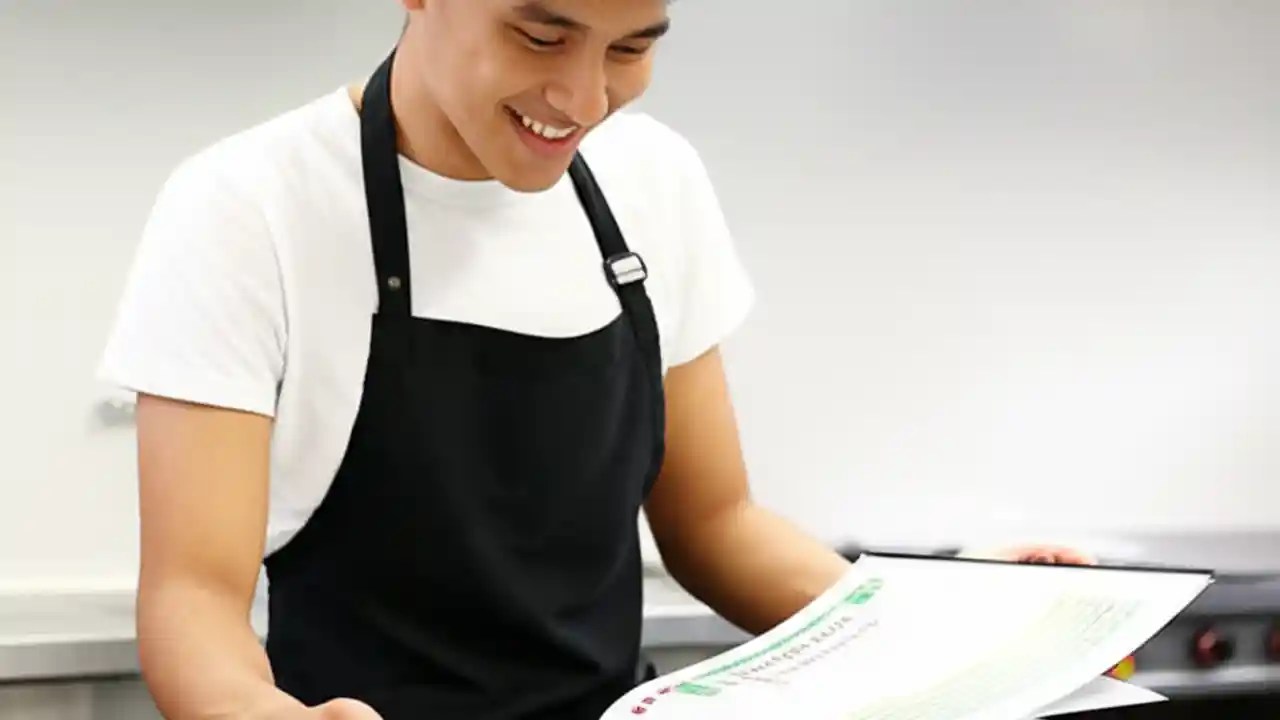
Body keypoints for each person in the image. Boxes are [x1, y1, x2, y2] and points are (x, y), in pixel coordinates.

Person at [98, 1, 1091, 718]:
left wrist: (939, 622)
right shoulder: (247, 205)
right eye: (540, 34)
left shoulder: (654, 179)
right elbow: (192, 597)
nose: (579, 98)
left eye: (630, 48)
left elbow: (715, 525)